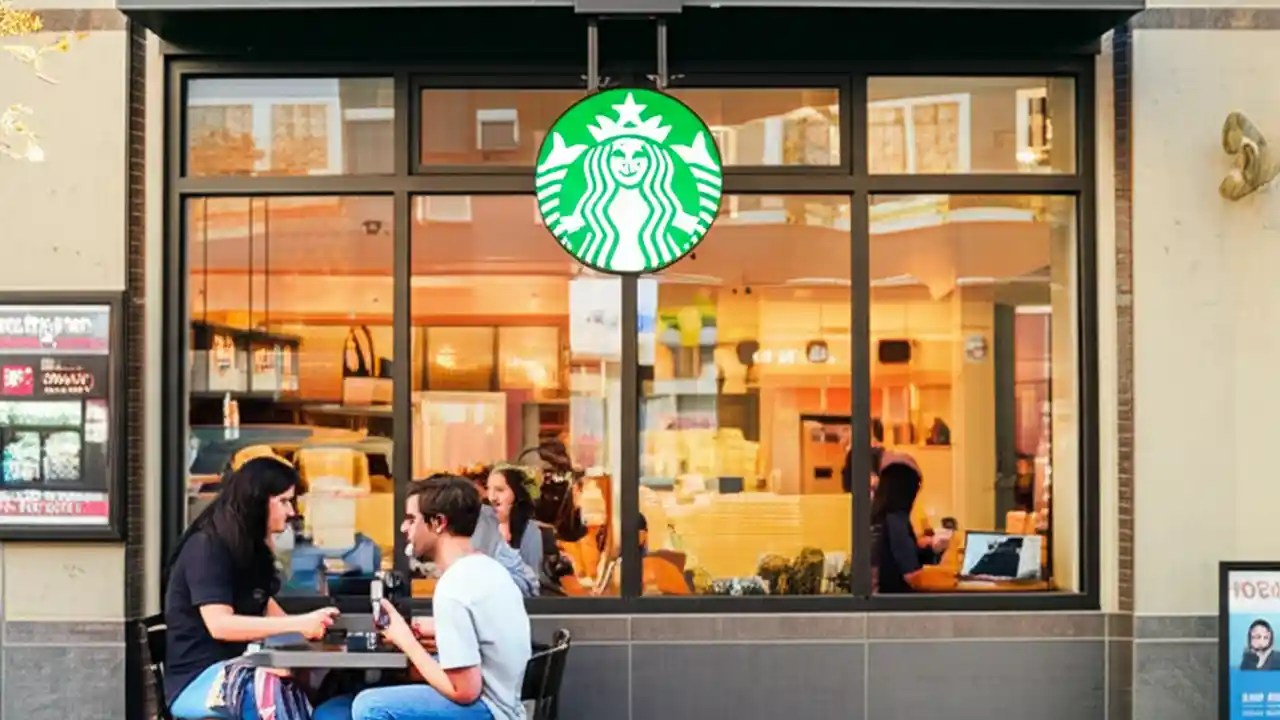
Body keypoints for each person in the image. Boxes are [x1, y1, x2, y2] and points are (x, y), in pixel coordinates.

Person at [315, 475, 532, 720]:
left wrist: (404, 638)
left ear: (438, 522)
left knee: (369, 705)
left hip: (489, 710)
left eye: (411, 520)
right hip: (508, 705)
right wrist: (438, 631)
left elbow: (465, 692)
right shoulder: (488, 569)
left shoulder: (454, 587)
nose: (403, 528)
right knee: (339, 707)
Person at [165, 457, 340, 720]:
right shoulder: (207, 547)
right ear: (257, 501)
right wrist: (301, 624)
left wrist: (327, 637)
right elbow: (220, 625)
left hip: (237, 670)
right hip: (198, 682)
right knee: (273, 691)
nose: (292, 511)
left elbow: (276, 617)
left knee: (327, 690)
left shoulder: (247, 549)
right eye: (283, 501)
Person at [869, 452, 927, 594]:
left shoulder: (876, 516)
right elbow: (912, 576)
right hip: (898, 603)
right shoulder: (896, 520)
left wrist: (923, 546)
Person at [483, 466, 543, 572]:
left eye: (500, 490)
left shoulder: (530, 531)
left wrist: (505, 546)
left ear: (516, 494)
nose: (492, 497)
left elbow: (531, 580)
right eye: (488, 489)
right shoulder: (480, 527)